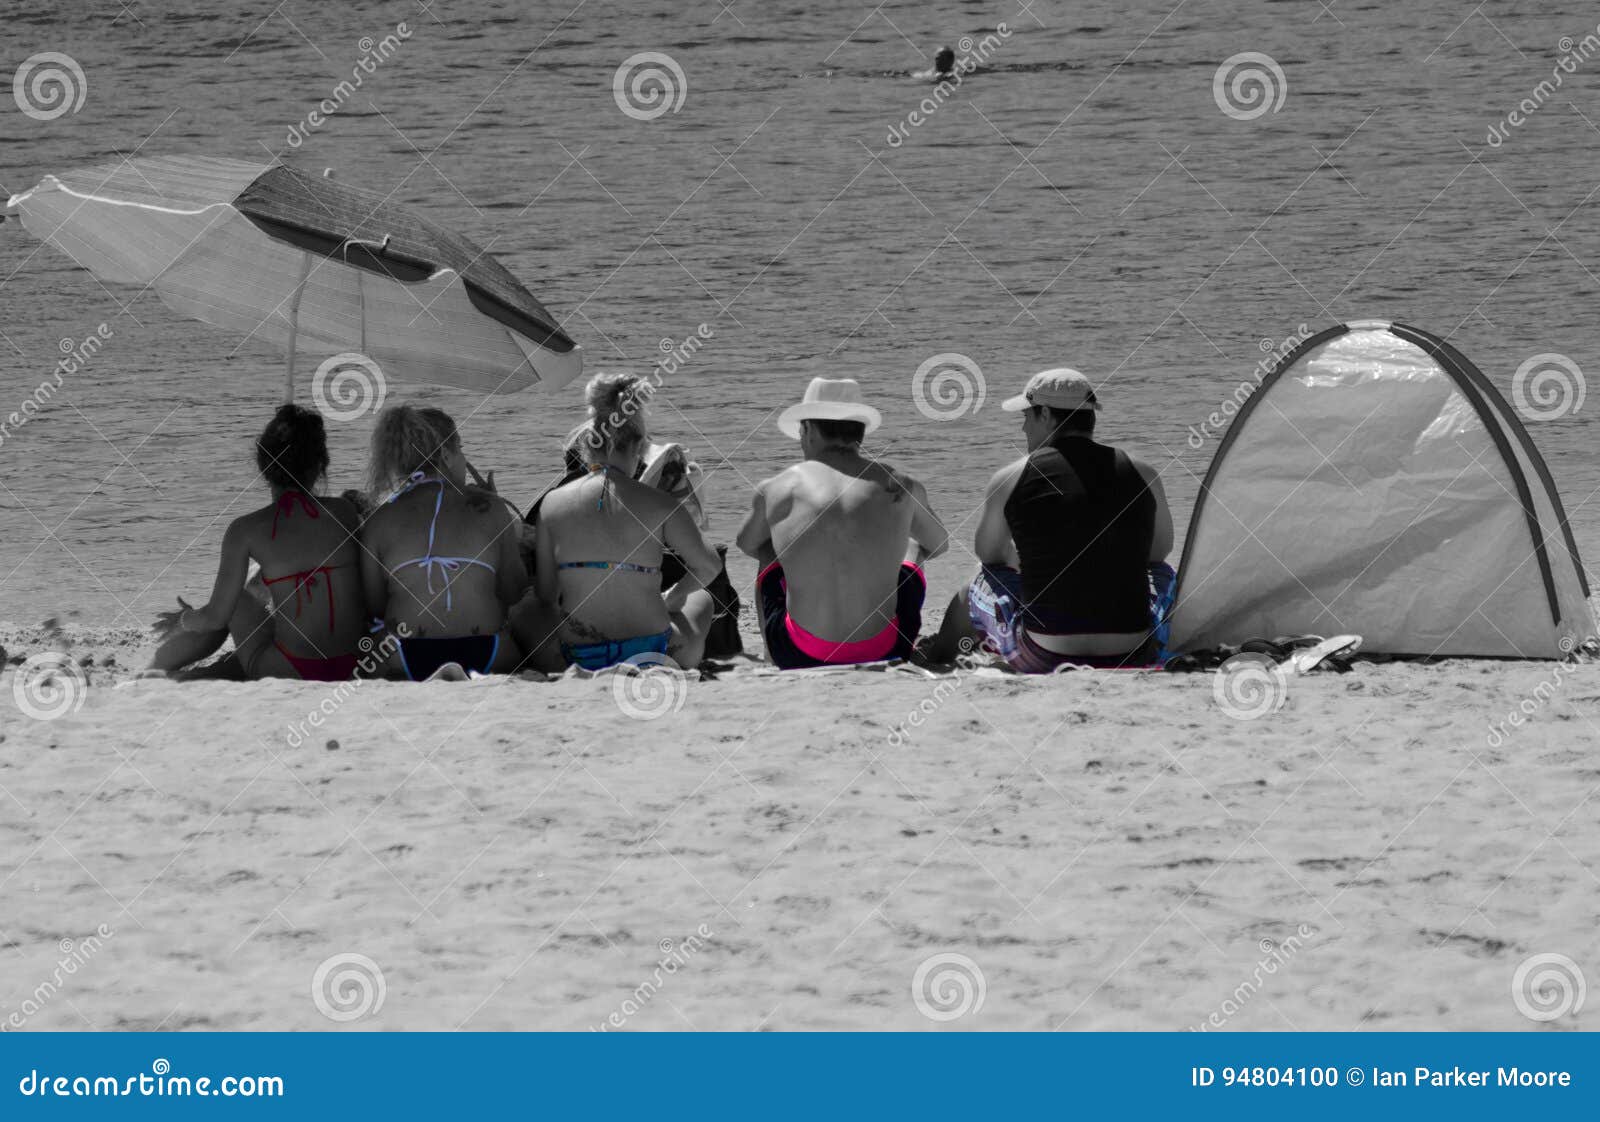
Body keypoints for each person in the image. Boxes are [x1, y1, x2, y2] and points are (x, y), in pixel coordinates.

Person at [923, 368, 1174, 671]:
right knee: (1163, 574)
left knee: (978, 580)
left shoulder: (1010, 477)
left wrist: (1027, 557)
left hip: (1043, 653)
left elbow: (989, 556)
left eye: (1026, 417)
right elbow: (1158, 554)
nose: (1023, 429)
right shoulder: (1143, 472)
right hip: (1132, 652)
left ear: (1044, 414)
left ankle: (938, 659)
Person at [737, 377, 948, 668]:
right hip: (887, 648)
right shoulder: (900, 484)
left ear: (809, 429)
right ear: (859, 432)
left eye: (801, 430)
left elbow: (747, 544)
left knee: (767, 549)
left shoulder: (775, 488)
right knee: (914, 544)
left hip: (798, 652)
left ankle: (771, 656)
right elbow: (939, 545)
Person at [151, 404, 366, 680]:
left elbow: (215, 618)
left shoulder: (245, 530)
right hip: (349, 663)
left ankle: (157, 670)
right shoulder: (344, 512)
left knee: (236, 600)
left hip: (291, 669)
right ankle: (204, 673)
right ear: (320, 466)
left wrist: (184, 619)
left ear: (263, 465)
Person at [529, 372, 722, 670]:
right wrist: (671, 598)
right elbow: (709, 566)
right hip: (652, 650)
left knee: (526, 611)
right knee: (703, 600)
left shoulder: (553, 503)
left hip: (580, 654)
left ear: (588, 445)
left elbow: (546, 594)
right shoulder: (660, 504)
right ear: (636, 448)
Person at [361, 404, 528, 679]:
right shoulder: (491, 509)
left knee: (375, 639)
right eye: (461, 449)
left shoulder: (379, 519)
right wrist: (498, 510)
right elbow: (513, 592)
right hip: (488, 650)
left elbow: (374, 608)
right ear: (447, 455)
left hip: (405, 655)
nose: (464, 458)